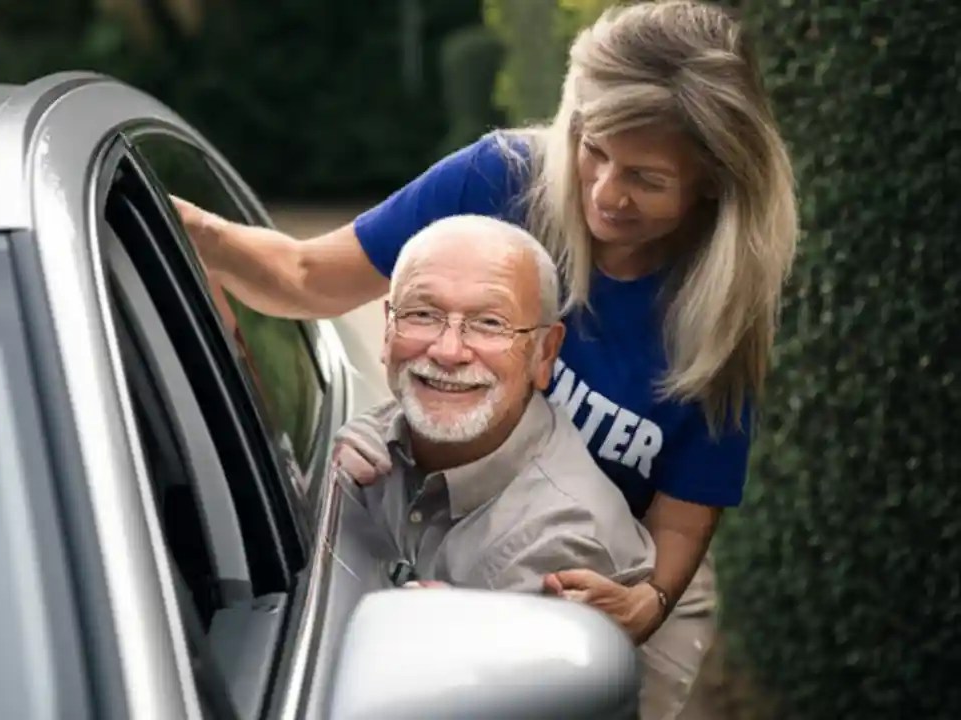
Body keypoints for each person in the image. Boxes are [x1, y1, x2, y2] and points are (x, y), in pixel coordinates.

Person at [172, 2, 797, 717]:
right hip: (449, 526)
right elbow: (308, 278)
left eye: (647, 179)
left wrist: (648, 602)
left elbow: (687, 511)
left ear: (713, 180)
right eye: (593, 148)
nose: (603, 192)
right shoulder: (503, 180)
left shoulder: (718, 299)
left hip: (606, 572)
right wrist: (182, 227)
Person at [348, 214, 656, 598]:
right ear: (388, 328)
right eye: (422, 314)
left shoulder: (566, 545)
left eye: (490, 323)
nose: (448, 351)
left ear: (545, 353)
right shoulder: (363, 446)